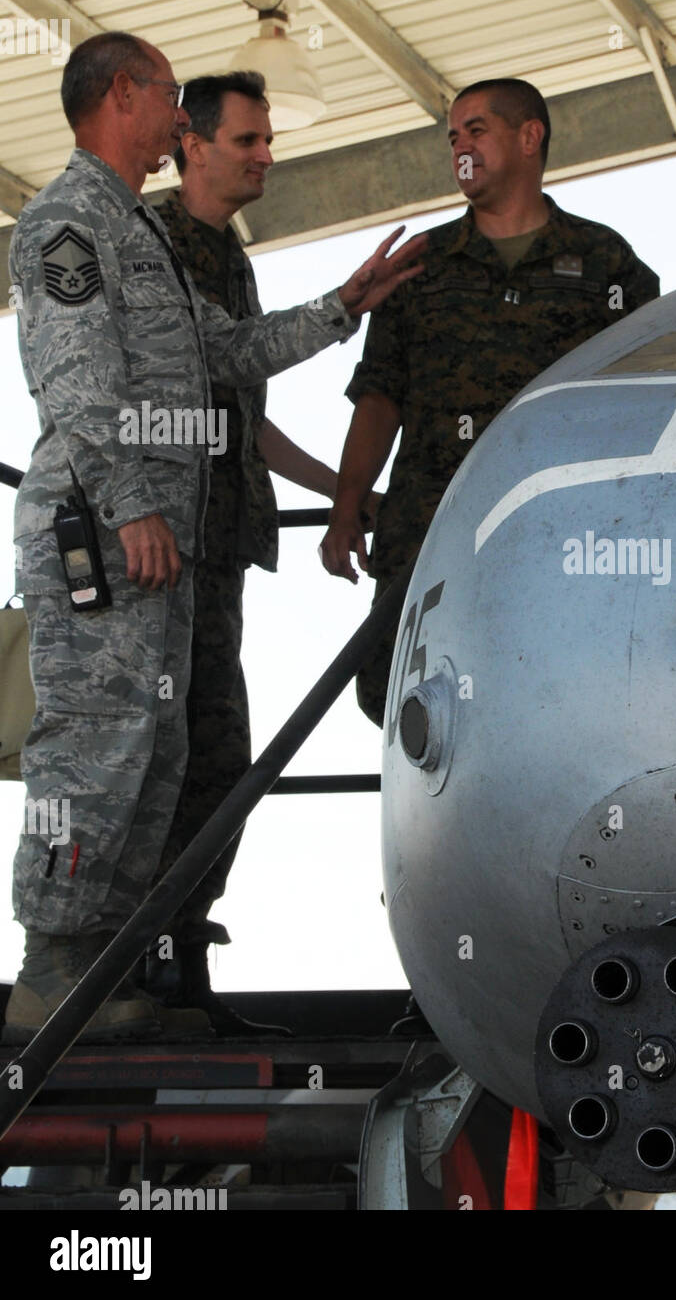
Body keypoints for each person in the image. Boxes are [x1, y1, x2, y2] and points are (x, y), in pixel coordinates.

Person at [4, 32, 424, 1045]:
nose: (175, 117)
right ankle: (49, 973)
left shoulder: (139, 235)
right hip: (105, 533)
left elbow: (224, 352)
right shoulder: (67, 221)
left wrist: (340, 309)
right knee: (92, 748)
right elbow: (72, 381)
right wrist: (131, 505)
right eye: (164, 97)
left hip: (162, 547)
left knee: (156, 750)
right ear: (122, 96)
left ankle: (107, 971)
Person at [138, 71, 380, 1035]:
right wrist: (345, 304)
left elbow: (245, 407)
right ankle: (129, 973)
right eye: (246, 140)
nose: (265, 155)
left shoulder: (226, 254)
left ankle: (176, 964)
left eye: (267, 139)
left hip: (219, 549)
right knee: (156, 757)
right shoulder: (147, 241)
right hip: (157, 550)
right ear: (191, 143)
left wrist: (345, 493)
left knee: (217, 757)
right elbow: (229, 360)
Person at [320, 78, 660, 724]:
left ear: (529, 137)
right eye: (453, 137)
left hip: (561, 540)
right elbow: (379, 397)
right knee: (411, 704)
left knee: (558, 708)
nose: (460, 148)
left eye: (476, 130)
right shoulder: (421, 265)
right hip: (429, 536)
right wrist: (344, 507)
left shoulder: (605, 263)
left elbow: (643, 401)